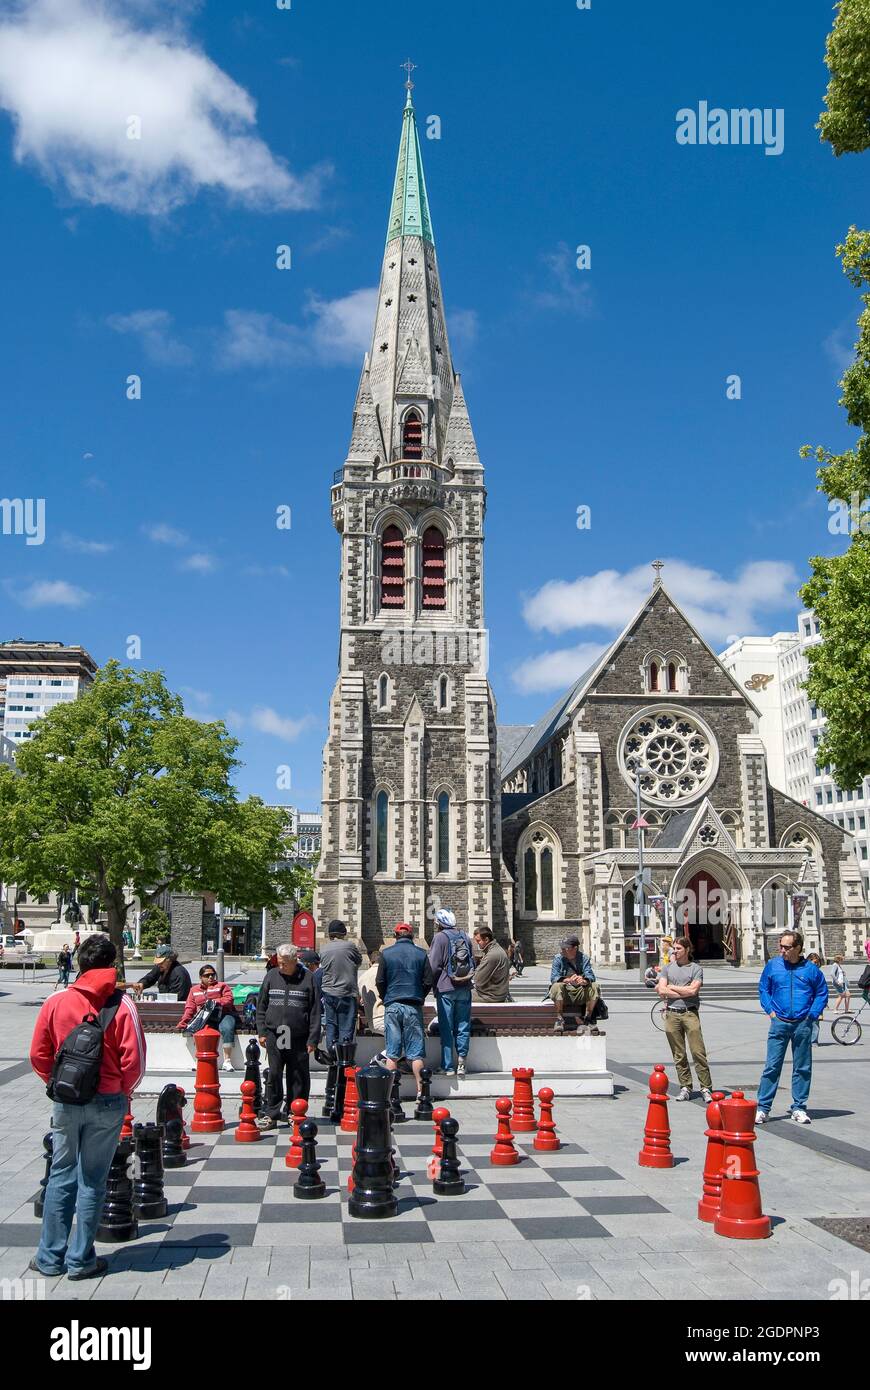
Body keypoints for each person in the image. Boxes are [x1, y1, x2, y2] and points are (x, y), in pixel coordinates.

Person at [28, 933, 146, 1279]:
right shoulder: (121, 1003)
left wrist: (56, 1083)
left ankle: (50, 1258)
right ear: (112, 965)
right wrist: (123, 1090)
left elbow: (38, 1053)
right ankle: (82, 1259)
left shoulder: (57, 1001)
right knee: (93, 1179)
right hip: (108, 1100)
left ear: (80, 963)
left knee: (61, 1175)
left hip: (67, 1099)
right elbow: (135, 1059)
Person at [755, 929, 828, 1126]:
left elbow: (822, 992)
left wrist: (812, 1015)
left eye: (786, 947)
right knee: (772, 1066)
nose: (782, 950)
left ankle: (799, 1107)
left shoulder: (811, 970)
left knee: (802, 1067)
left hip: (802, 1024)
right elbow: (764, 988)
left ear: (798, 948)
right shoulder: (773, 966)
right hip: (779, 1023)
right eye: (781, 946)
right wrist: (770, 1011)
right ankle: (763, 1108)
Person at [255, 943, 321, 1131]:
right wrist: (261, 1031)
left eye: (285, 963)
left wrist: (313, 1038)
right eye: (279, 962)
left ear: (294, 961)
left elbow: (315, 1010)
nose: (281, 966)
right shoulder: (271, 976)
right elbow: (262, 1005)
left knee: (298, 1075)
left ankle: (295, 1112)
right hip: (275, 1034)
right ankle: (272, 1113)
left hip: (299, 1035)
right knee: (274, 1074)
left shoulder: (308, 978)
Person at [376, 924, 434, 1095]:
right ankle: (421, 1092)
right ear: (412, 936)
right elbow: (428, 981)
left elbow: (380, 980)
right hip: (413, 1005)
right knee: (415, 1054)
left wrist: (386, 996)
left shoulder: (386, 954)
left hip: (393, 1004)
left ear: (395, 935)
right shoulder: (421, 954)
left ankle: (390, 1093)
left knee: (392, 1053)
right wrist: (420, 995)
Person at [656, 936, 713, 1102]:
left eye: (679, 948)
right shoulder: (667, 968)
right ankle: (685, 1086)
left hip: (690, 1013)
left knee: (698, 1052)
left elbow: (693, 991)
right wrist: (680, 990)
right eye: (674, 948)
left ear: (687, 949)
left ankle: (706, 1087)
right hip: (672, 1014)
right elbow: (661, 990)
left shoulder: (695, 968)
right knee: (678, 1054)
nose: (675, 951)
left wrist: (672, 987)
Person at [428, 907, 475, 1077]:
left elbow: (433, 966)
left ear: (439, 923)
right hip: (464, 987)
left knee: (446, 1027)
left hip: (446, 988)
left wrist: (430, 984)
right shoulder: (464, 936)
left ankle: (447, 1066)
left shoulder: (439, 938)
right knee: (463, 1025)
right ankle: (462, 1062)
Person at [177, 966, 239, 1071]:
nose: (210, 977)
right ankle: (200, 1060)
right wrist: (184, 1022)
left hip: (224, 1014)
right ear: (201, 977)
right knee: (198, 1030)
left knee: (227, 1028)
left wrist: (214, 1001)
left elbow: (229, 1000)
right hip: (205, 1017)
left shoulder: (222, 986)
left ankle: (227, 1061)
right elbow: (190, 1008)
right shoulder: (194, 990)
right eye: (207, 975)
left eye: (212, 974)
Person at [318, 920, 362, 1049]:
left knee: (331, 1025)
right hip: (347, 992)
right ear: (343, 933)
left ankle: (332, 1057)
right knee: (346, 1026)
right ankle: (344, 1059)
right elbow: (358, 961)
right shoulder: (350, 946)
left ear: (330, 934)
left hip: (328, 992)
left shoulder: (323, 948)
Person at [549, 933, 600, 1033]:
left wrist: (584, 980)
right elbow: (553, 977)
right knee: (556, 986)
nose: (563, 950)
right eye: (562, 948)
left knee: (594, 986)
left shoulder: (584, 958)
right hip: (565, 992)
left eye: (566, 948)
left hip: (580, 991)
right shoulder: (558, 958)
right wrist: (566, 980)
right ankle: (559, 1020)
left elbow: (590, 976)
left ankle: (588, 1019)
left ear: (575, 948)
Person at [472, 927, 511, 1002]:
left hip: (491, 996)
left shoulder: (492, 955)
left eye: (478, 941)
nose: (477, 943)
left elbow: (478, 981)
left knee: (459, 994)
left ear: (486, 939)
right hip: (496, 993)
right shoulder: (495, 949)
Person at [358, 949, 385, 1036]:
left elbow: (361, 1001)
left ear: (370, 962)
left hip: (372, 1022)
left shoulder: (361, 978)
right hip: (385, 1018)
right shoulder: (384, 973)